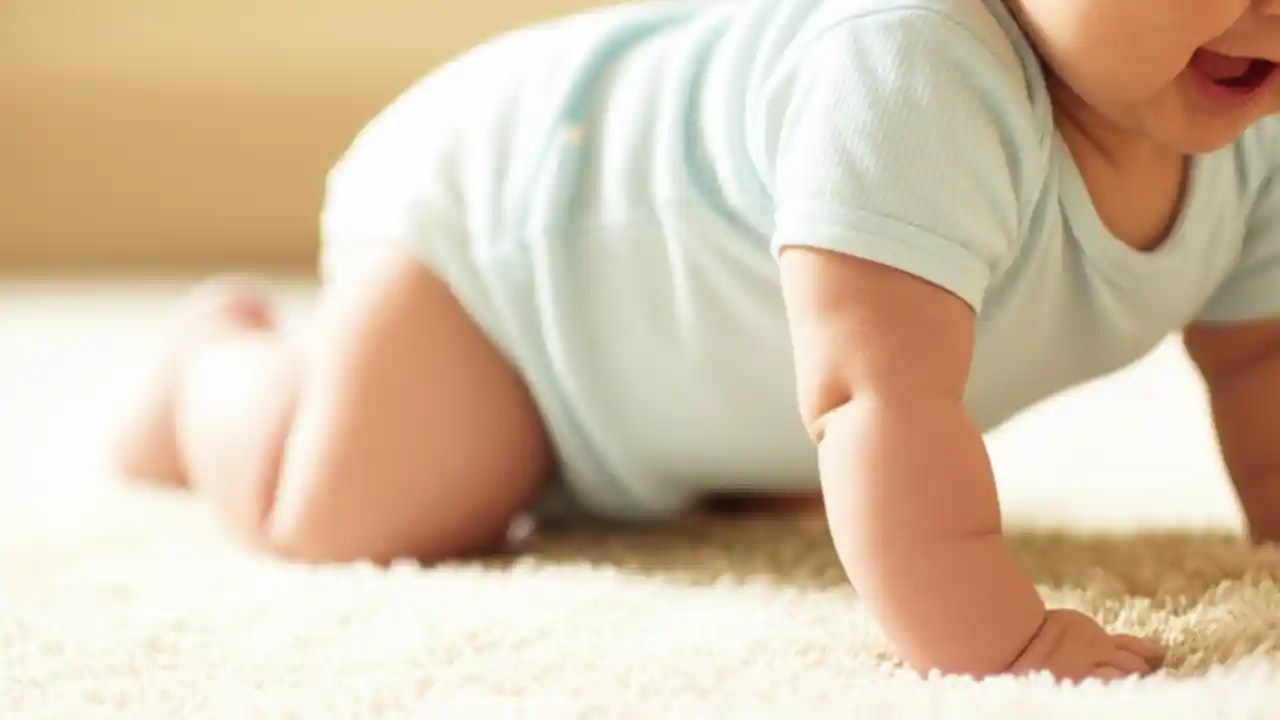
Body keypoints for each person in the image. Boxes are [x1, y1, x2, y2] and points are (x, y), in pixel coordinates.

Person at [116, 0, 1280, 681]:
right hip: (506, 263)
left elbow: (1259, 360)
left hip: (705, 382)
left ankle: (689, 463)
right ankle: (214, 360)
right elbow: (878, 395)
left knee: (798, 483)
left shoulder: (1246, 136)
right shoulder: (913, 70)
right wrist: (1001, 644)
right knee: (340, 511)